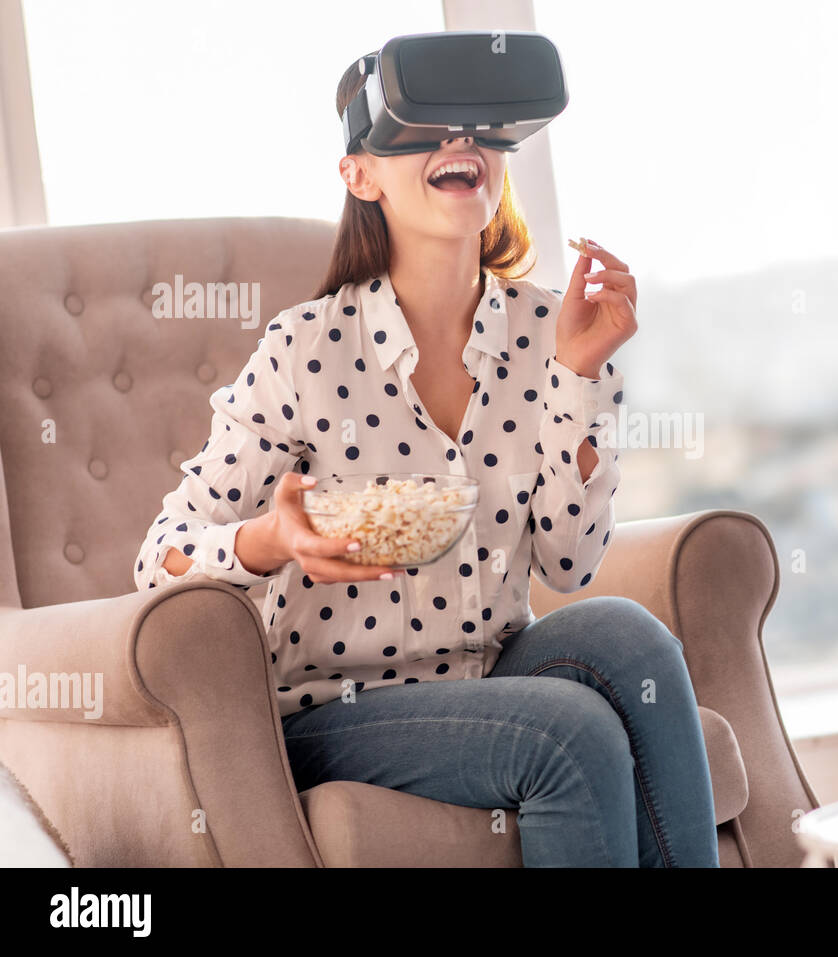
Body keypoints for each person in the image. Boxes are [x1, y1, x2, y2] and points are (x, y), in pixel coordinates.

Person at [132, 54, 719, 868]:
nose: (459, 137)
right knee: (569, 730)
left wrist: (578, 376)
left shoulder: (556, 327)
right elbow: (156, 559)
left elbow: (571, 562)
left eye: (479, 123)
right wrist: (271, 540)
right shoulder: (304, 350)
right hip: (332, 709)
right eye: (425, 124)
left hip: (491, 667)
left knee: (633, 639)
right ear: (360, 173)